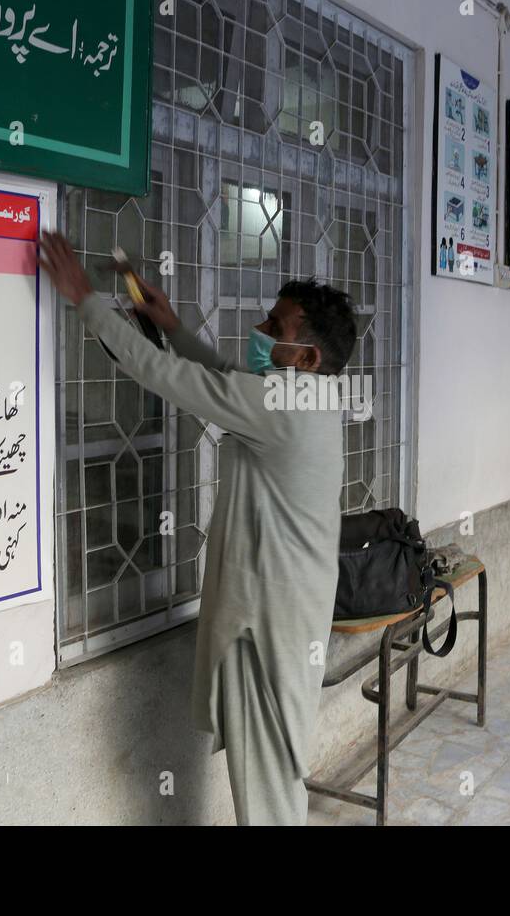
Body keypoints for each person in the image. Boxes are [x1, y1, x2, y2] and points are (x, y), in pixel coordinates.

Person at [38, 232, 356, 825]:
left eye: (276, 327)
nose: (262, 330)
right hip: (283, 615)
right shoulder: (315, 396)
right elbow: (227, 376)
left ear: (308, 356)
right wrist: (175, 326)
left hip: (268, 629)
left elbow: (167, 377)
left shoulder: (282, 405)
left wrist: (86, 300)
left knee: (266, 794)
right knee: (273, 776)